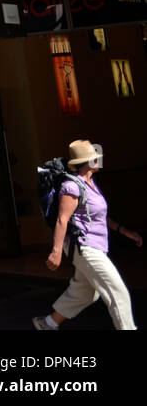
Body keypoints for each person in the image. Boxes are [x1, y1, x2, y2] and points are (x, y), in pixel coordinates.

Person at [33, 140, 139, 331]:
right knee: (118, 292)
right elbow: (62, 220)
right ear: (87, 161)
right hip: (84, 246)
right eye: (95, 157)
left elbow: (99, 216)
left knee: (86, 293)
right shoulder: (71, 187)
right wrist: (56, 252)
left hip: (96, 245)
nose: (99, 159)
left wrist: (123, 230)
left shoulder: (90, 184)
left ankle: (48, 324)